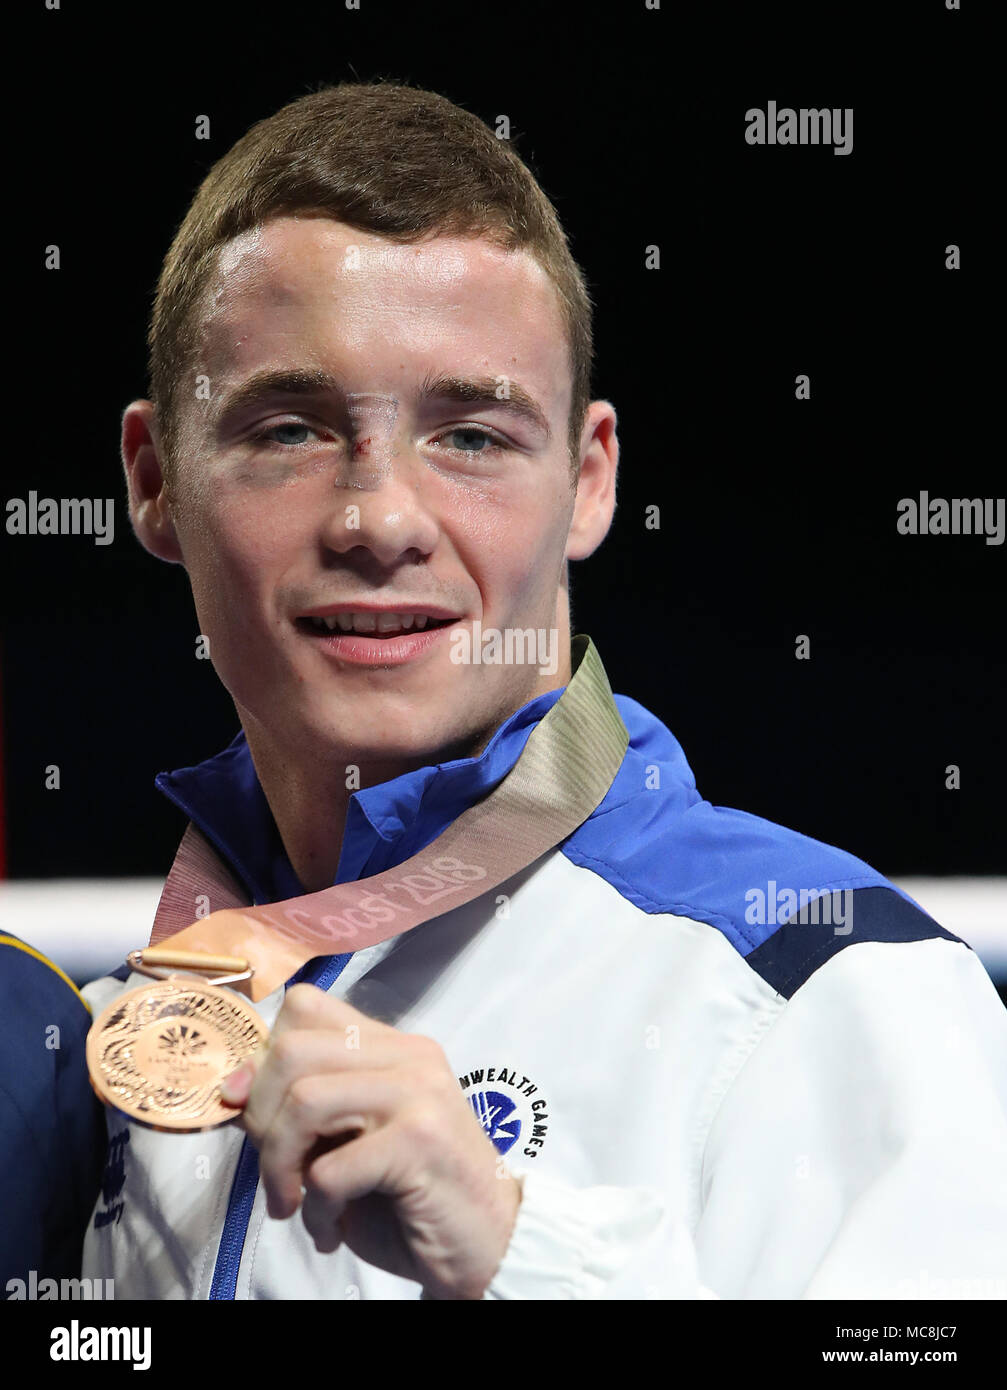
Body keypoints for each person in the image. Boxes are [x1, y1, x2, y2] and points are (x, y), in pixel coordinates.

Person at [81, 80, 1007, 1300]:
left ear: (585, 482)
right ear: (154, 481)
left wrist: (520, 1257)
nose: (378, 519)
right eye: (290, 429)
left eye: (469, 435)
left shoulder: (829, 985)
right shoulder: (96, 1041)